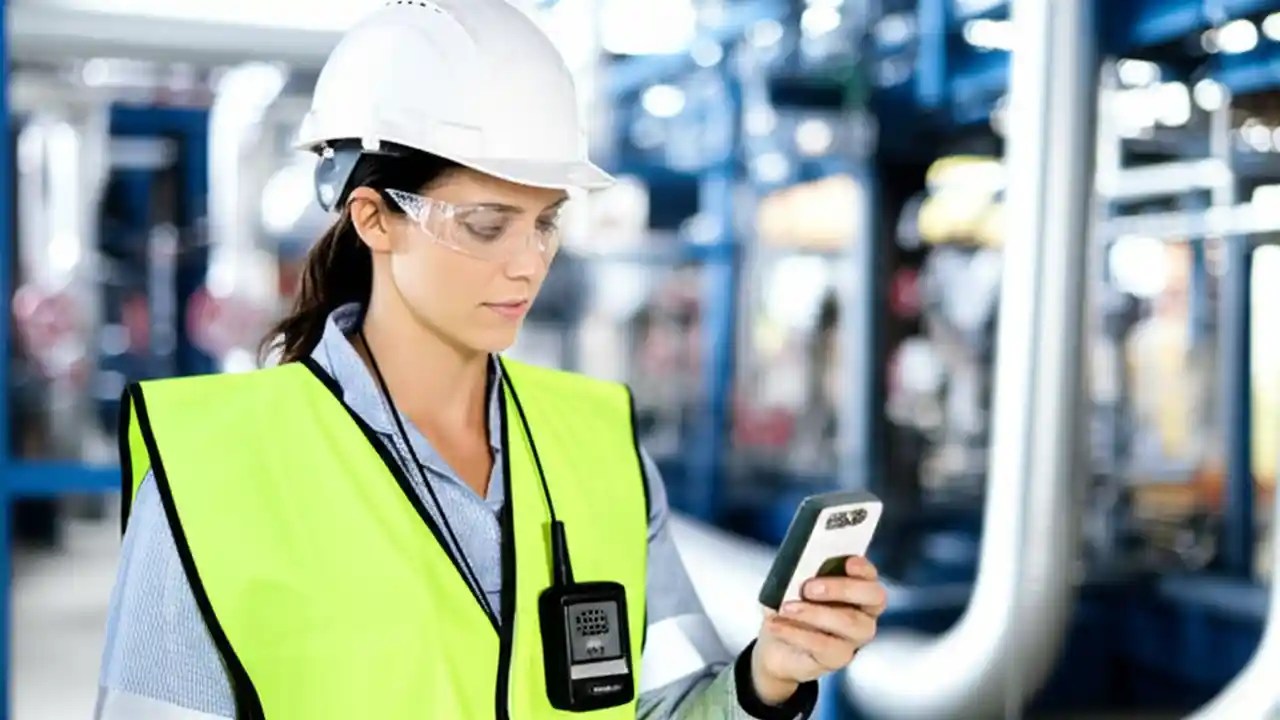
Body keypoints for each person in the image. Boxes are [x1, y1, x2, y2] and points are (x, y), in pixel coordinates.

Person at [95, 1, 887, 718]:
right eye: (485, 225)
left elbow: (669, 707)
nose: (528, 264)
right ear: (373, 217)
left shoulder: (598, 444)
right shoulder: (215, 472)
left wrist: (767, 676)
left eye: (545, 222)